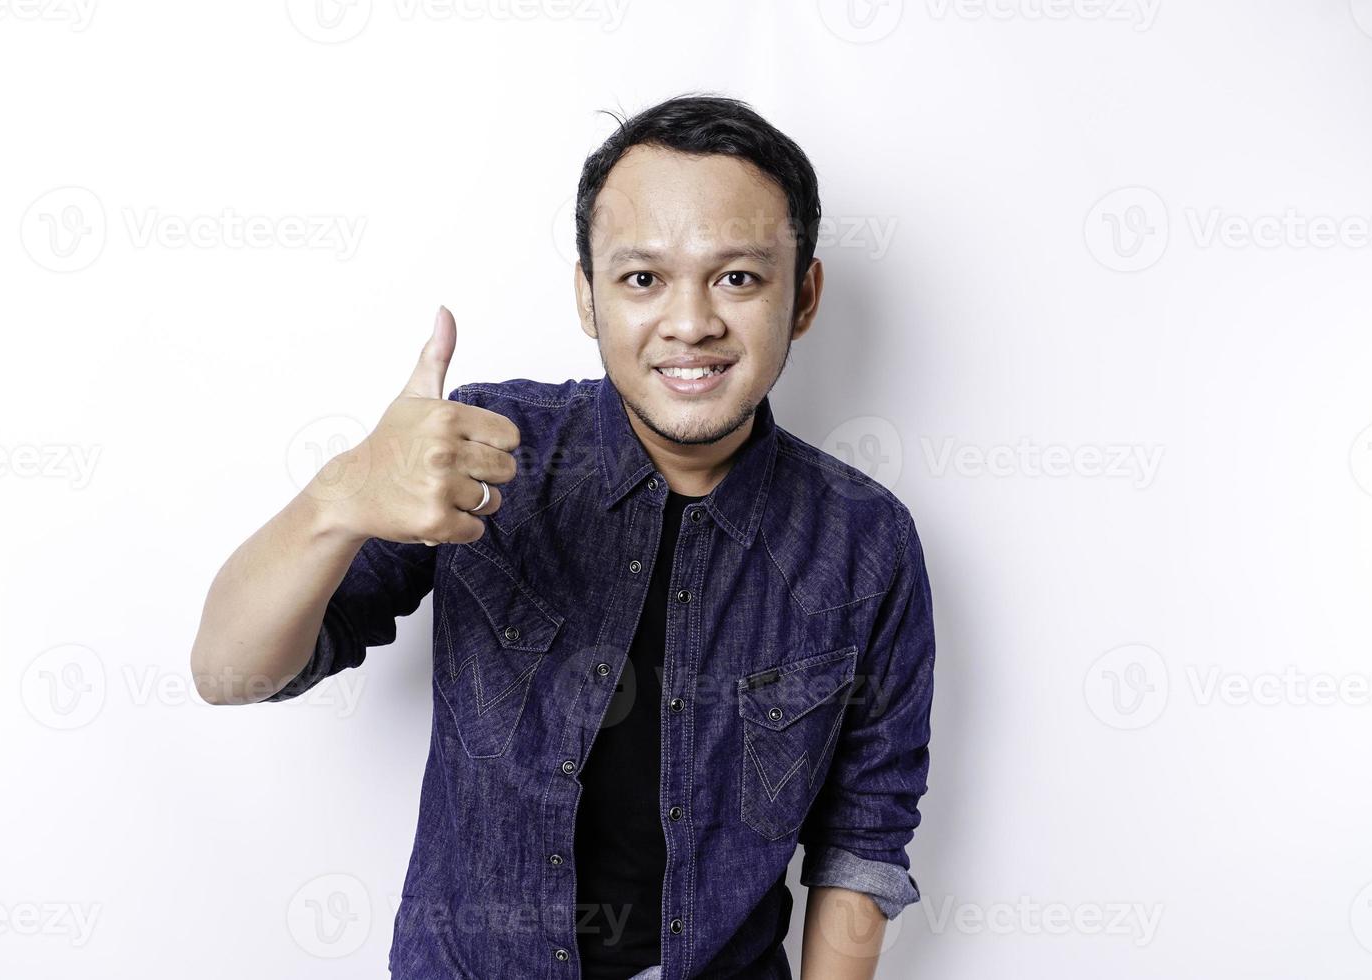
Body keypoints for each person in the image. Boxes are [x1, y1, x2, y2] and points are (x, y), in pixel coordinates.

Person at [190, 93, 935, 980]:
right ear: (587, 296)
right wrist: (337, 499)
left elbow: (863, 838)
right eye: (642, 278)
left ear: (802, 295)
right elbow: (228, 674)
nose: (690, 322)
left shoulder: (866, 542)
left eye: (737, 277)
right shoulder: (485, 450)